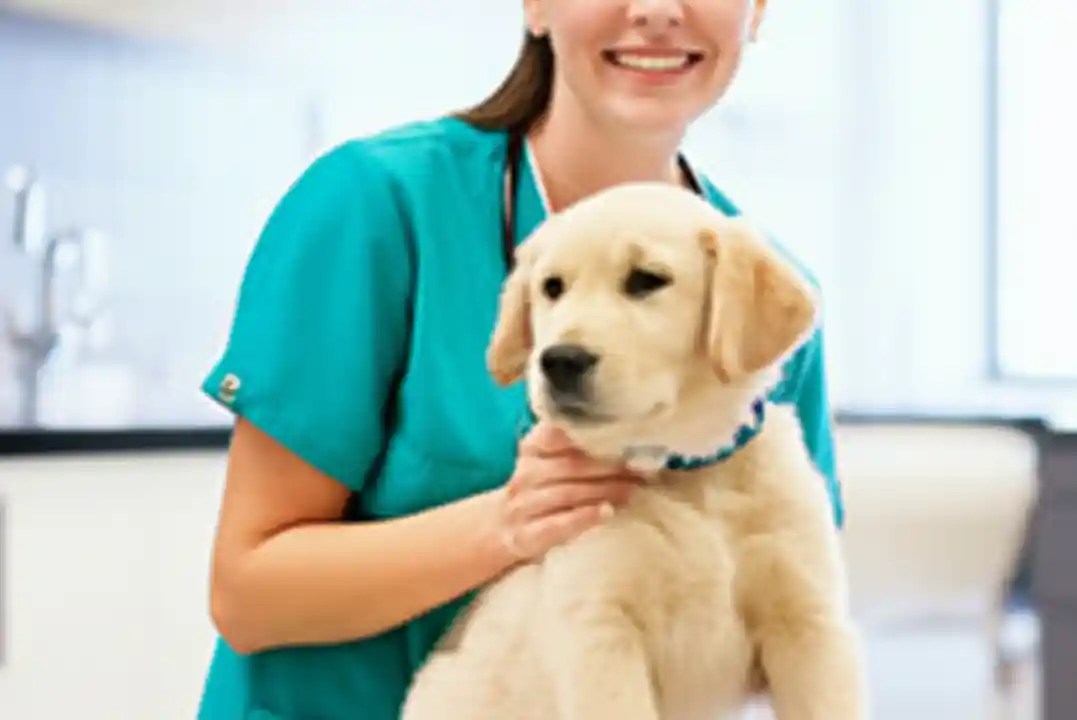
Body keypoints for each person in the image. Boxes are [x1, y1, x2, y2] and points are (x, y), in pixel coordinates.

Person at [195, 1, 844, 717]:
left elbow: (774, 634)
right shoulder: (378, 204)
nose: (657, 9)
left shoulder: (764, 300)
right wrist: (506, 525)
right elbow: (246, 595)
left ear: (757, 10)